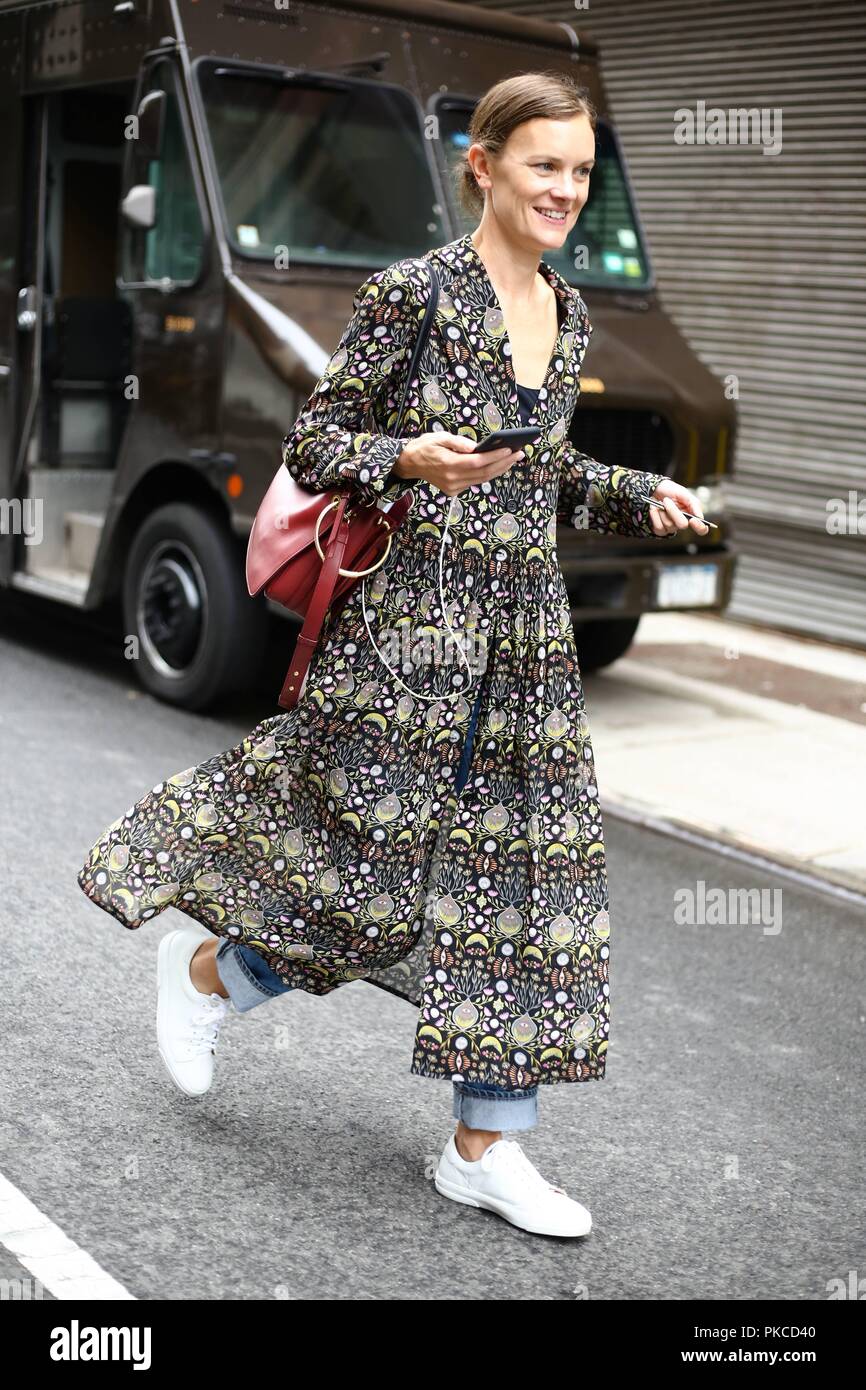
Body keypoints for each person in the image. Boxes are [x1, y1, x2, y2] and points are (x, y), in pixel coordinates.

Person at [79, 71, 708, 1241]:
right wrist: (405, 459)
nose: (564, 188)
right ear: (483, 163)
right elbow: (316, 443)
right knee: (360, 879)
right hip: (407, 637)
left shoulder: (566, 314)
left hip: (521, 645)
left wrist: (636, 489)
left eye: (580, 171)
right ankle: (210, 974)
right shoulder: (410, 295)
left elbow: (547, 467)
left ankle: (486, 1145)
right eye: (543, 166)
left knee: (517, 890)